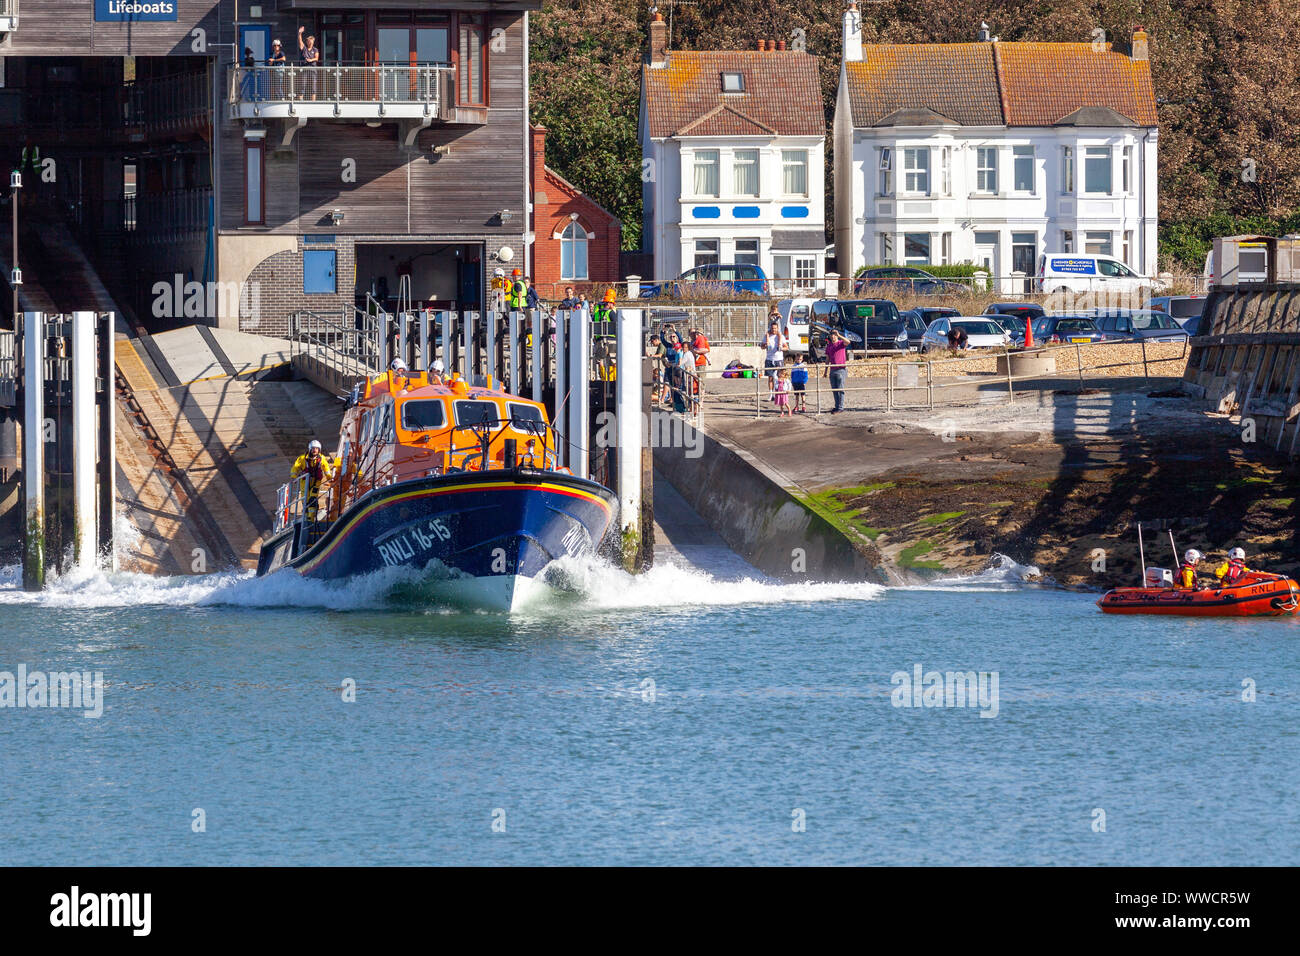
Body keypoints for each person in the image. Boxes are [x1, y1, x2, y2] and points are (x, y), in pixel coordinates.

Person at [290, 439, 335, 518]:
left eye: (317, 449)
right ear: (310, 449)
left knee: (313, 498)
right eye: (313, 448)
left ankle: (311, 518)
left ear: (319, 450)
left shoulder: (322, 458)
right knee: (305, 500)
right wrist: (294, 477)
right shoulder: (302, 458)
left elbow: (326, 468)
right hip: (304, 482)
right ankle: (307, 516)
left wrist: (329, 477)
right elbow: (295, 468)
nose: (315, 450)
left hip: (316, 482)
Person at [823, 329, 849, 413]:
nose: (833, 336)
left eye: (834, 334)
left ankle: (840, 407)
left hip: (841, 369)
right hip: (832, 369)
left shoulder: (841, 343)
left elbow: (848, 342)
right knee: (834, 389)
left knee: (840, 389)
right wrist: (825, 371)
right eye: (832, 334)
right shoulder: (829, 346)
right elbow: (827, 359)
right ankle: (837, 406)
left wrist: (839, 335)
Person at [762, 321, 787, 396]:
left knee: (780, 377)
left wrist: (781, 348)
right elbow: (762, 346)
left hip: (778, 359)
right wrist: (765, 345)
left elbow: (786, 347)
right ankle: (771, 394)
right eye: (772, 328)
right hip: (769, 359)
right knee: (770, 378)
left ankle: (779, 393)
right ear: (770, 328)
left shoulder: (781, 336)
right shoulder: (767, 336)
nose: (774, 330)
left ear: (777, 328)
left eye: (775, 328)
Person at [298, 27, 320, 100]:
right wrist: (300, 33)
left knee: (313, 86)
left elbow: (317, 58)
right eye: (308, 41)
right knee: (302, 86)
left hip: (313, 69)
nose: (309, 42)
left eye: (311, 41)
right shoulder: (304, 48)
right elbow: (300, 41)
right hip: (304, 69)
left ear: (313, 42)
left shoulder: (315, 49)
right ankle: (300, 101)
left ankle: (313, 102)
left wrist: (311, 60)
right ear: (307, 42)